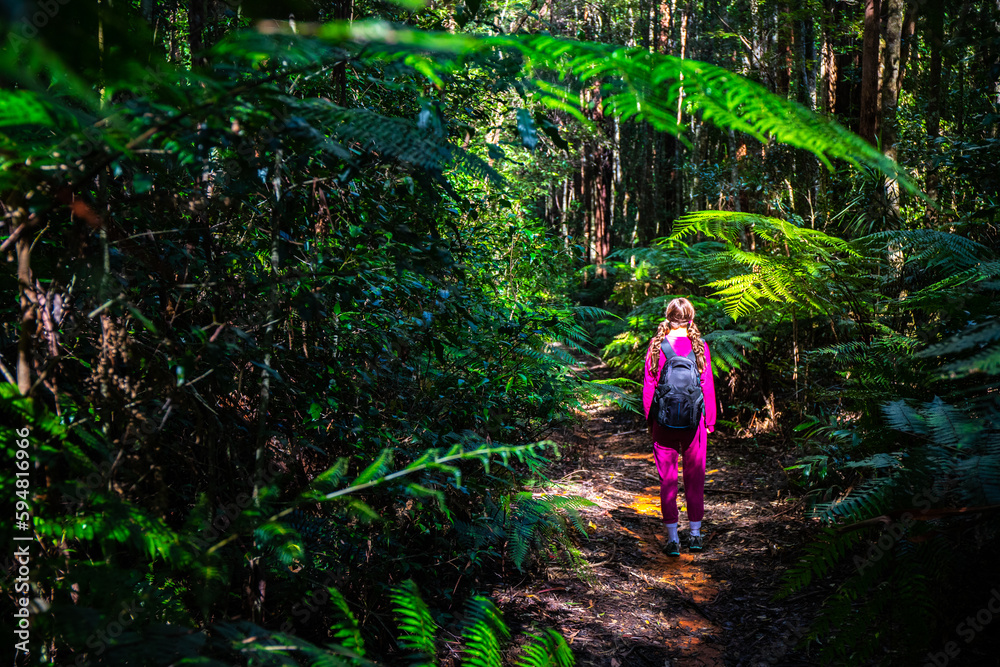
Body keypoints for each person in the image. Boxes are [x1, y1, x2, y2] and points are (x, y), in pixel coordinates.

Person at [642, 297, 717, 556]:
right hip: (694, 422)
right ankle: (695, 535)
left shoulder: (656, 344)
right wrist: (710, 421)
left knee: (668, 480)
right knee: (694, 479)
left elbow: (649, 384)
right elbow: (707, 384)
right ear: (691, 319)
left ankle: (673, 539)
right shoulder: (700, 345)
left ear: (668, 317)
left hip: (663, 423)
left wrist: (650, 420)